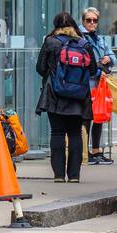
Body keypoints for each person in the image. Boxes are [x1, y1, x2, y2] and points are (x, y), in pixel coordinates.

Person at [36, 12, 98, 183]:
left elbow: (40, 68)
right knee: (75, 134)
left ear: (56, 25)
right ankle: (74, 176)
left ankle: (58, 175)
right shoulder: (84, 44)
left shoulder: (50, 42)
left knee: (57, 133)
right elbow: (93, 70)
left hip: (55, 95)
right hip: (79, 97)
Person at [80, 6, 115, 165]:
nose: (92, 23)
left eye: (95, 20)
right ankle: (84, 151)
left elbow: (111, 54)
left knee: (99, 116)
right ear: (83, 21)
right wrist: (98, 66)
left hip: (99, 83)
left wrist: (108, 59)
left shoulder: (99, 38)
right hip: (88, 83)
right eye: (89, 20)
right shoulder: (81, 38)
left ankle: (95, 150)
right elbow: (85, 62)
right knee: (87, 117)